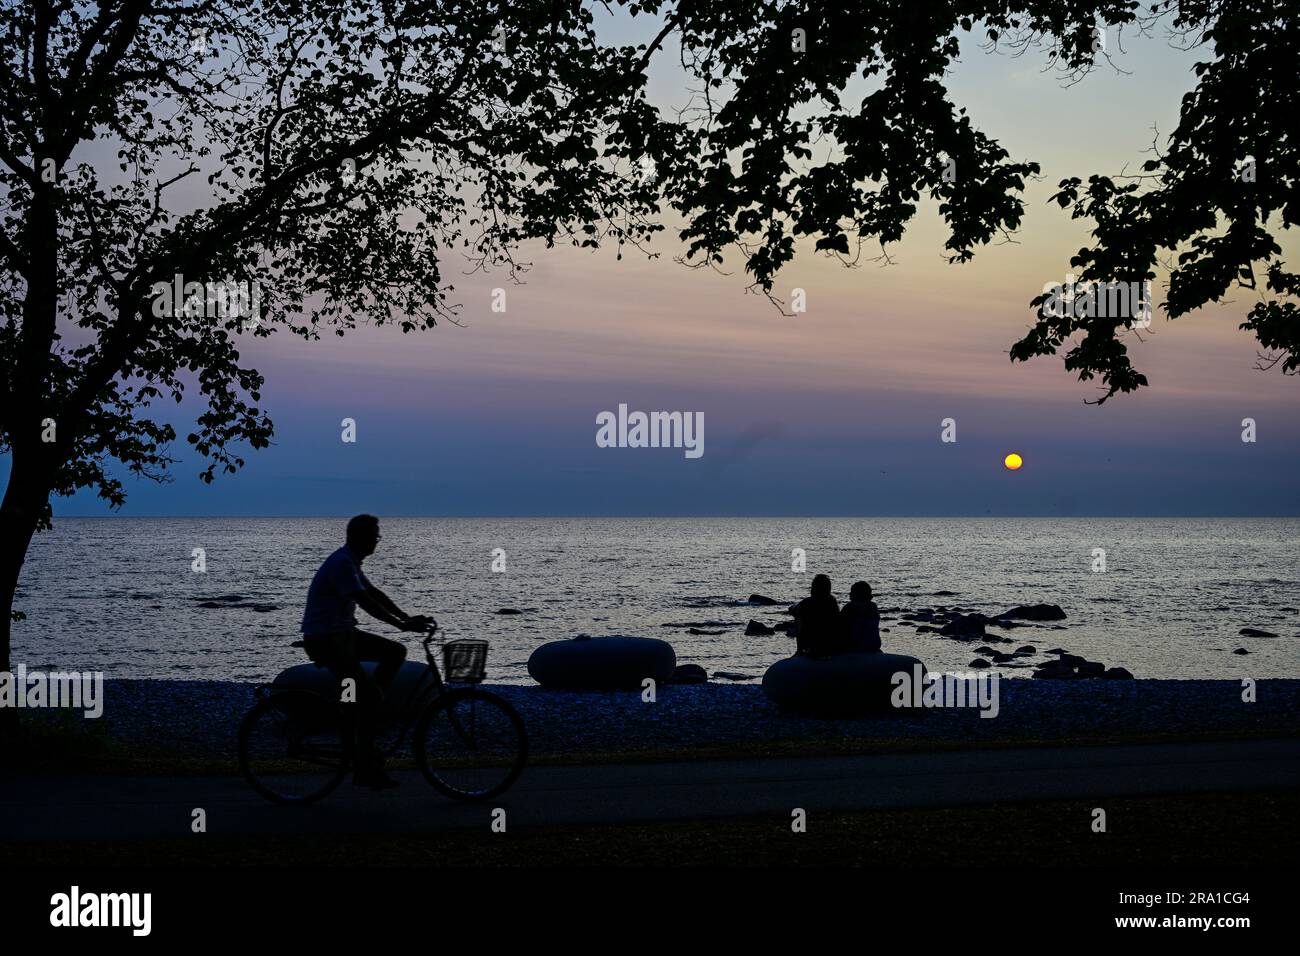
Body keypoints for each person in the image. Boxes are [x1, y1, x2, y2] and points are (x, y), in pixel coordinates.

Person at [301, 514, 433, 789]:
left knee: (395, 652)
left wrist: (406, 618)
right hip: (328, 641)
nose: (377, 540)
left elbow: (374, 593)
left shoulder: (350, 562)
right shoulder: (341, 564)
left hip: (344, 636)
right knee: (367, 696)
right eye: (374, 535)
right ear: (360, 537)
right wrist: (400, 624)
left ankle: (365, 707)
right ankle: (364, 767)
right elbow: (365, 602)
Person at [788, 574, 840, 657]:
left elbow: (793, 609)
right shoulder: (832, 602)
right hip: (832, 643)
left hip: (814, 645)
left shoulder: (808, 603)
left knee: (798, 616)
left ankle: (800, 650)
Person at [839, 580, 882, 653]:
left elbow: (839, 625)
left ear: (856, 594)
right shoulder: (873, 606)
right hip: (875, 644)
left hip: (856, 646)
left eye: (851, 592)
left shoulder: (850, 607)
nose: (849, 594)